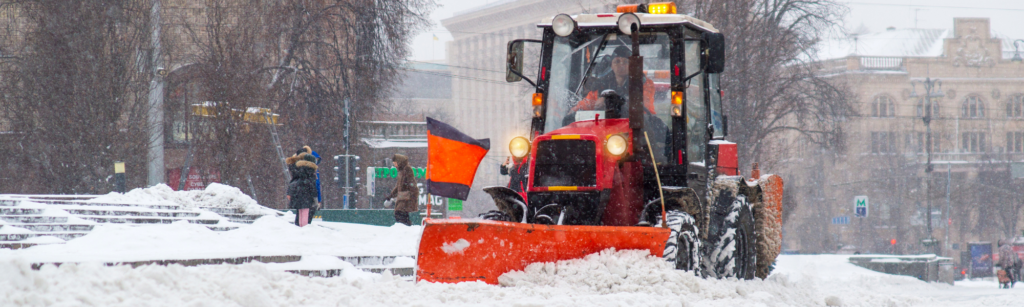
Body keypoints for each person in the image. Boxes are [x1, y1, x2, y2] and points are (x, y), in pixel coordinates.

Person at [570, 45, 656, 115]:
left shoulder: (643, 83)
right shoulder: (600, 86)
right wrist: (573, 114)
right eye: (617, 61)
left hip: (635, 127)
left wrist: (608, 102)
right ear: (611, 66)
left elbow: (644, 109)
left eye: (625, 62)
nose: (621, 65)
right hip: (606, 128)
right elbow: (584, 106)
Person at [384, 154, 418, 226]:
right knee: (401, 214)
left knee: (399, 213)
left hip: (406, 198)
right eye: (394, 164)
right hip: (402, 197)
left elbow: (412, 183)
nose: (395, 165)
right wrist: (391, 196)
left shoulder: (407, 169)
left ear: (399, 162)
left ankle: (405, 228)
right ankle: (406, 227)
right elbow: (398, 186)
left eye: (395, 163)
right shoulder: (401, 171)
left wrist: (413, 196)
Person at [286, 153, 318, 227]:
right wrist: (315, 197)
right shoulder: (310, 172)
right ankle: (304, 229)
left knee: (300, 213)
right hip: (307, 197)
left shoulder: (299, 171)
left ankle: (299, 229)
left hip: (298, 195)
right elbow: (312, 186)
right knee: (305, 214)